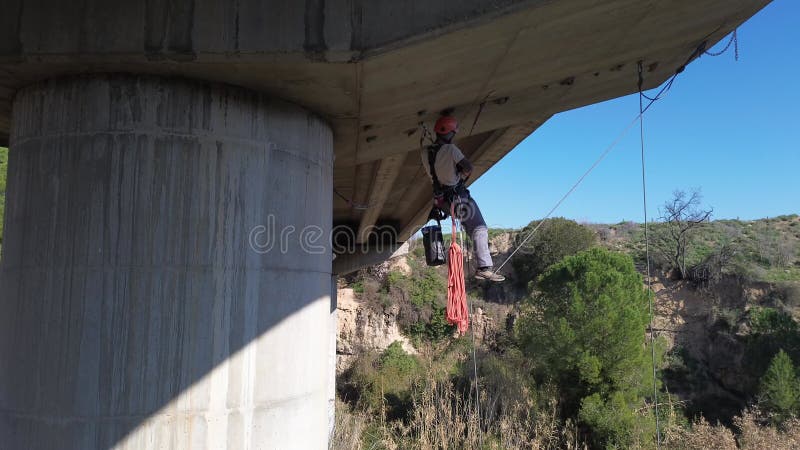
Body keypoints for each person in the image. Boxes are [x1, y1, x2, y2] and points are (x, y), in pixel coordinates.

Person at [421, 115, 505, 282]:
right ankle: (484, 267)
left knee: (471, 227)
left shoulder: (425, 153)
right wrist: (460, 174)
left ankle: (482, 255)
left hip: (442, 202)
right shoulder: (451, 149)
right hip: (458, 199)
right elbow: (468, 168)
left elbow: (438, 172)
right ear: (450, 133)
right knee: (479, 228)